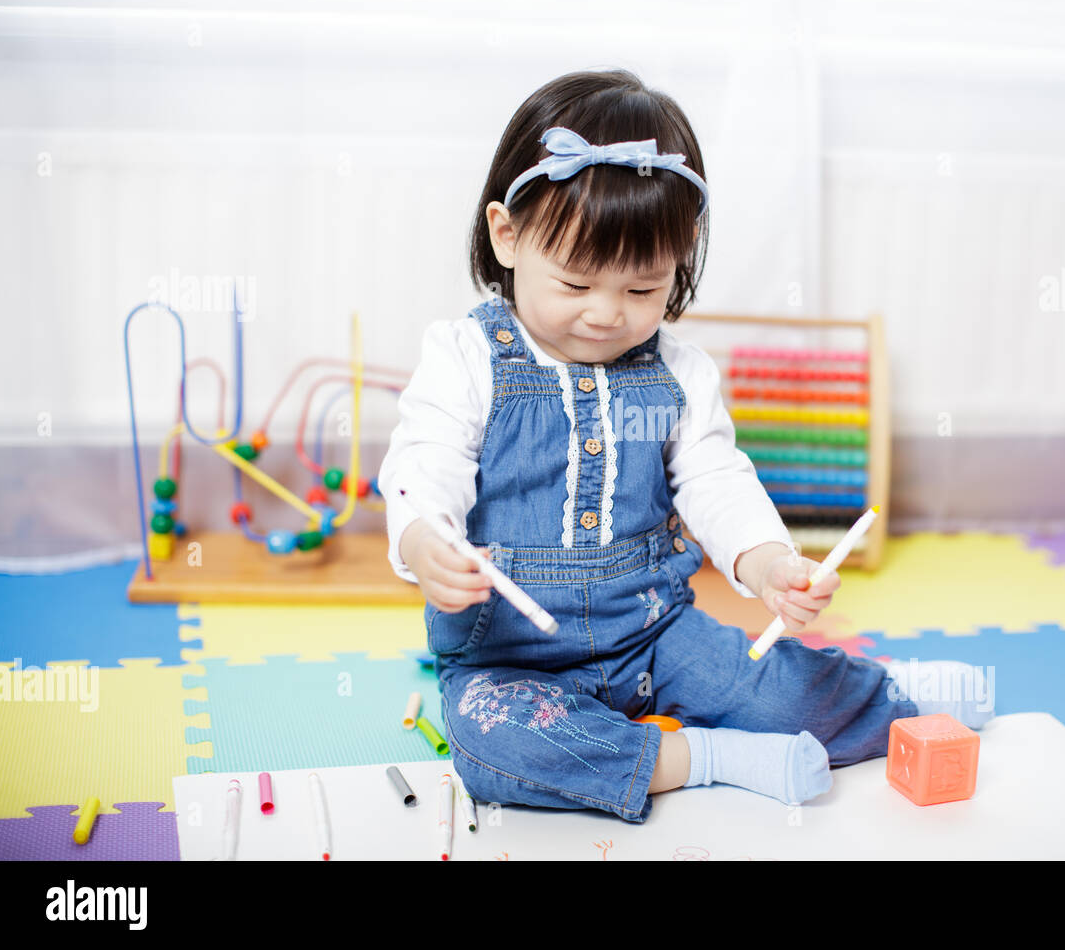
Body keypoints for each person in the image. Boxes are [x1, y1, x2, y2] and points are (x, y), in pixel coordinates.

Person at [380, 69, 992, 823]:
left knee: (774, 683)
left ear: (681, 253)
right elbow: (422, 464)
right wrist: (423, 536)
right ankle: (709, 759)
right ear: (507, 236)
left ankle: (901, 695)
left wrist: (769, 564)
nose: (607, 314)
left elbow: (716, 480)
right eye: (574, 284)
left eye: (641, 290)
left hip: (655, 634)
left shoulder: (678, 372)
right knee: (488, 745)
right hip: (510, 659)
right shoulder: (467, 355)